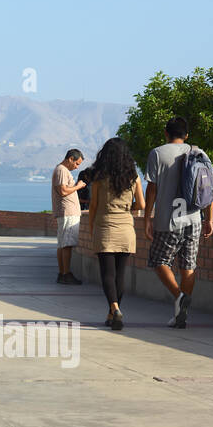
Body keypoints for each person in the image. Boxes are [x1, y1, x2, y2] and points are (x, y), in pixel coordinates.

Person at [143, 116, 213, 328]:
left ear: (166, 133)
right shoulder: (199, 153)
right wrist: (209, 218)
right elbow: (207, 189)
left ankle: (179, 297)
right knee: (188, 267)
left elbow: (152, 188)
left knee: (158, 261)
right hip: (194, 218)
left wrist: (147, 218)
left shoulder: (157, 153)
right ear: (187, 135)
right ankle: (180, 315)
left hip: (169, 218)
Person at [86, 138, 145, 330]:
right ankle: (113, 313)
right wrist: (127, 207)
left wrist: (91, 229)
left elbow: (93, 206)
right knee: (120, 274)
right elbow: (142, 205)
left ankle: (114, 308)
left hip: (105, 226)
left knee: (107, 274)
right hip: (126, 227)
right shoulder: (133, 177)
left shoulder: (99, 177)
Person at [51, 149, 86, 284]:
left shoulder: (61, 170)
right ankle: (66, 273)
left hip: (67, 213)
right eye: (77, 164)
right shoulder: (62, 170)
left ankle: (62, 273)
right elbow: (63, 191)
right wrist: (78, 186)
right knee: (67, 245)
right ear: (71, 159)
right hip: (68, 213)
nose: (77, 167)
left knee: (63, 244)